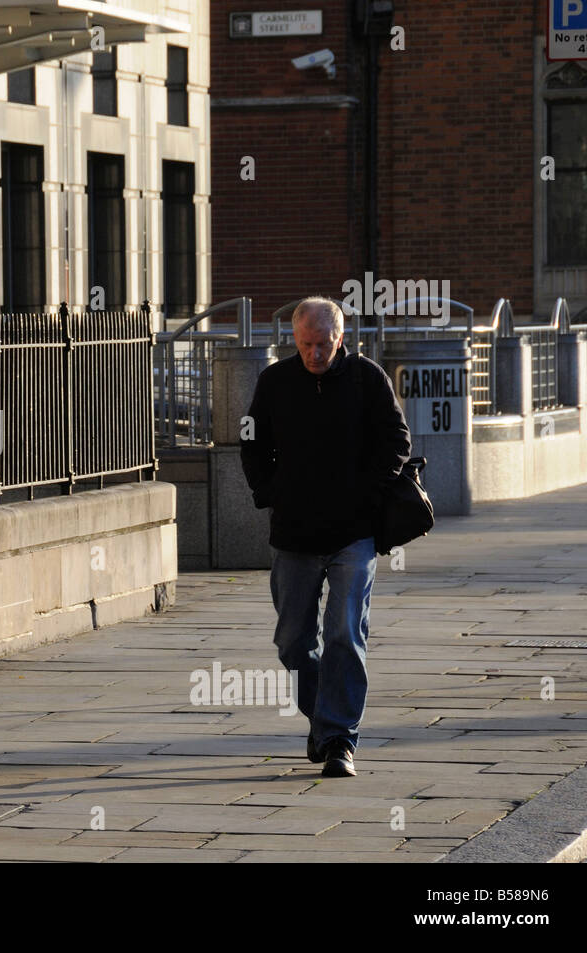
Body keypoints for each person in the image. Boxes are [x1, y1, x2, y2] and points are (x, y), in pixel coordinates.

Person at [239, 296, 411, 777]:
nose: (314, 354)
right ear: (294, 339)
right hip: (293, 534)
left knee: (344, 632)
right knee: (294, 641)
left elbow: (398, 441)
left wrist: (367, 495)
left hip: (353, 534)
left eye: (323, 344)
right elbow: (250, 441)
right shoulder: (275, 381)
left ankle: (339, 740)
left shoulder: (367, 379)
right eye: (306, 344)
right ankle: (323, 720)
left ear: (342, 337)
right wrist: (269, 491)